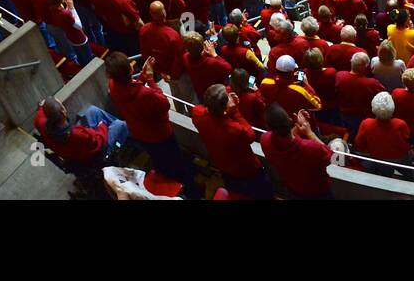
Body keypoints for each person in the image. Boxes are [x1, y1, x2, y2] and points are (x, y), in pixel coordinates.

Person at [105, 52, 198, 197]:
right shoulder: (145, 95)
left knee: (158, 159)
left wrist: (142, 76)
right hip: (160, 135)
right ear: (130, 70)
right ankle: (190, 191)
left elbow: (131, 89)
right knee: (177, 163)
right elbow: (163, 103)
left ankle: (165, 173)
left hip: (140, 133)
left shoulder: (113, 86)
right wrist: (151, 80)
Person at [193, 83, 273, 199]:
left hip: (223, 166)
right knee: (263, 194)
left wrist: (226, 109)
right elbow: (250, 135)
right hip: (247, 169)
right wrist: (235, 110)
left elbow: (208, 110)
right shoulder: (234, 130)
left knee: (236, 192)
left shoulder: (197, 114)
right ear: (225, 109)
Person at [260, 103, 336, 199]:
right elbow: (334, 158)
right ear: (290, 120)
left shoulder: (264, 140)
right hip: (318, 192)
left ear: (268, 126)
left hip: (293, 189)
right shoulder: (311, 148)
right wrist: (310, 133)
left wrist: (298, 127)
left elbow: (284, 138)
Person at [34, 97, 127, 166]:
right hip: (95, 154)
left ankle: (117, 133)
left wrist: (45, 104)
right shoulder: (76, 134)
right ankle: (120, 145)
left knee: (92, 110)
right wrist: (102, 126)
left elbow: (41, 111)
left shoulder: (41, 124)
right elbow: (99, 141)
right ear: (63, 112)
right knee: (120, 124)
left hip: (76, 150)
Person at [354, 91, 412, 166]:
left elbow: (359, 144)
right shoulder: (400, 124)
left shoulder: (366, 124)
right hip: (398, 159)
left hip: (375, 157)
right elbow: (407, 143)